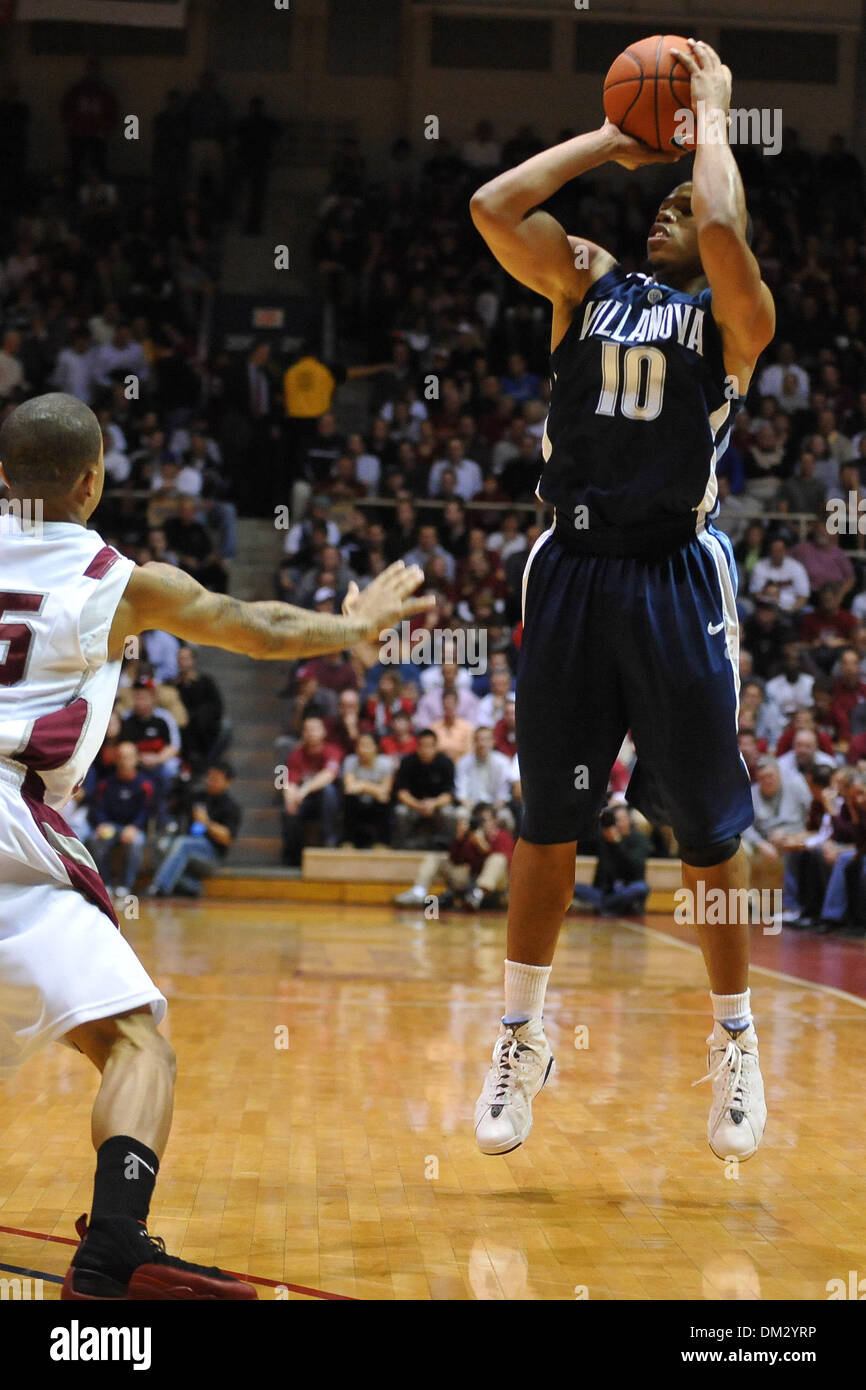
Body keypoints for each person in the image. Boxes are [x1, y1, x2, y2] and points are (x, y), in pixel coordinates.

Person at [0, 389, 429, 1301]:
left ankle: (118, 1246)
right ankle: (113, 1246)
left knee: (131, 1032)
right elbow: (257, 626)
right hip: (12, 822)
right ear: (93, 480)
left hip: (19, 836)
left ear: (2, 476)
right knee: (135, 1045)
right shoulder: (120, 582)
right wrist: (355, 627)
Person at [469, 39, 774, 1161]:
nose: (665, 212)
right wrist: (614, 133)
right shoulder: (589, 280)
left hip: (671, 576)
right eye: (661, 201)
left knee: (705, 829)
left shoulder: (736, 316)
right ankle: (517, 1035)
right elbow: (495, 205)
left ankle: (736, 1039)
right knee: (547, 818)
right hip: (570, 569)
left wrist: (710, 115)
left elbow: (728, 233)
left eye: (682, 202)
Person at [147, 761, 240, 897]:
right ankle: (193, 886)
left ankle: (159, 888)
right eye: (209, 777)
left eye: (215, 779)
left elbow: (227, 839)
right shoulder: (197, 796)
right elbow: (174, 807)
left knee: (182, 844)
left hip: (210, 857)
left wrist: (206, 823)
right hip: (185, 847)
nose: (210, 781)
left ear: (228, 782)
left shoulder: (231, 807)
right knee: (161, 844)